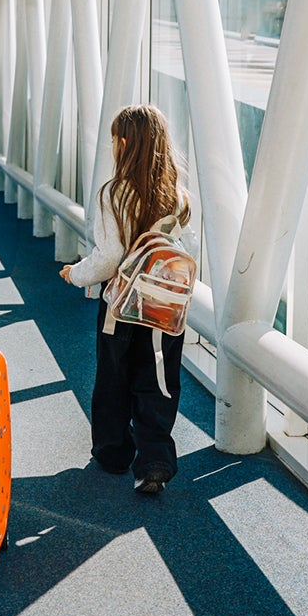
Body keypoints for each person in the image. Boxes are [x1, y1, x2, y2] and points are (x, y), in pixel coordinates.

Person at [60, 104, 195, 496]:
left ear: (123, 143)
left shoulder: (114, 194)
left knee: (113, 380)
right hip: (163, 308)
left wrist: (74, 274)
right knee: (158, 382)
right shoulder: (178, 197)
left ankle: (113, 453)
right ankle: (155, 461)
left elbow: (109, 259)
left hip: (121, 308)